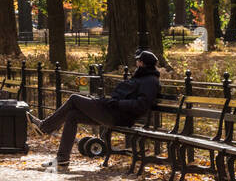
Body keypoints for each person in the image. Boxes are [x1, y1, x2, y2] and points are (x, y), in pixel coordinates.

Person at [32, 50, 162, 171]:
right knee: (72, 115)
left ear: (142, 63)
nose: (136, 63)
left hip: (118, 116)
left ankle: (44, 127)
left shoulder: (150, 81)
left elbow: (141, 105)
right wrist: (111, 102)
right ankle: (62, 158)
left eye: (138, 61)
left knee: (74, 99)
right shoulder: (142, 77)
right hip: (113, 112)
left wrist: (117, 103)